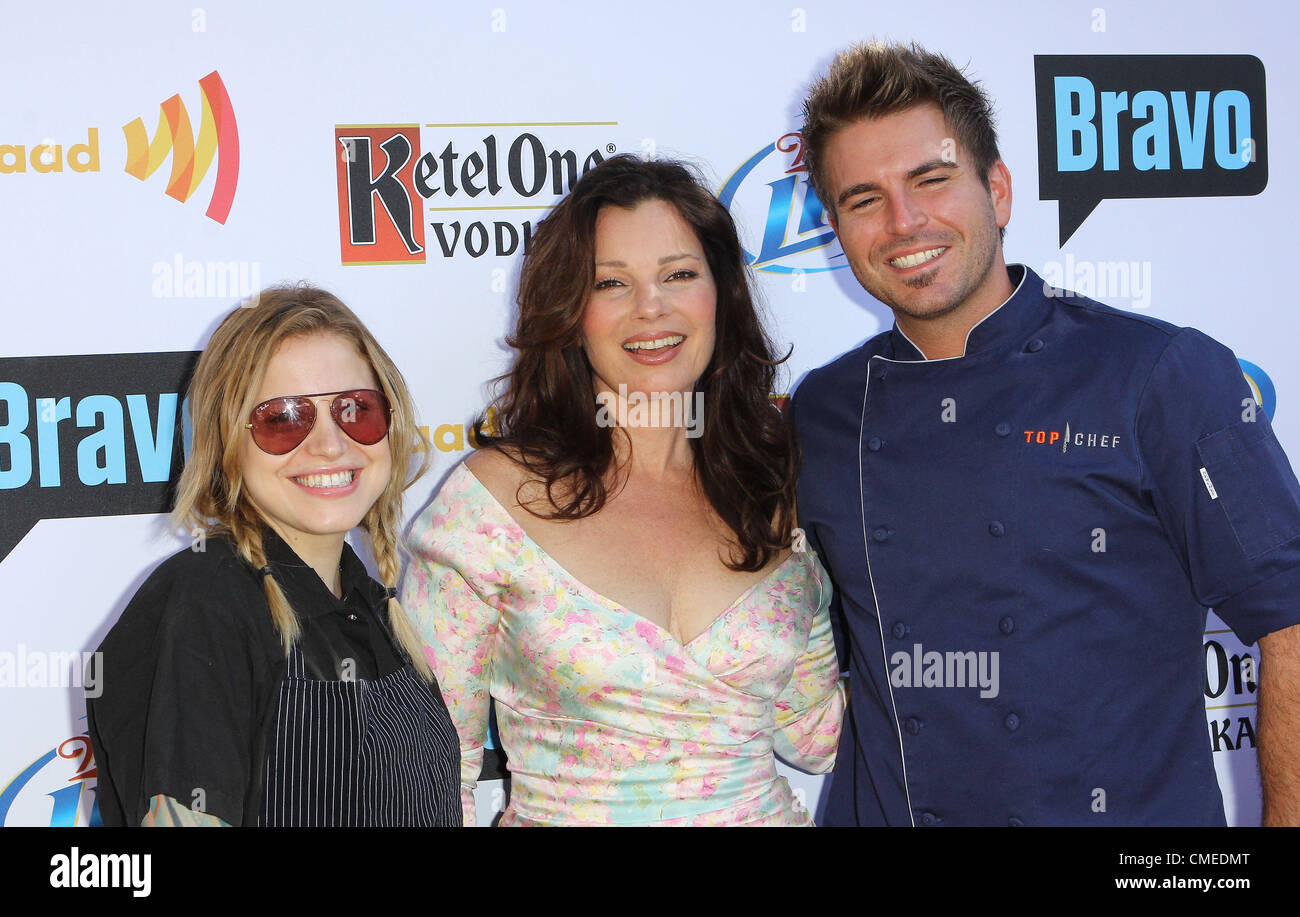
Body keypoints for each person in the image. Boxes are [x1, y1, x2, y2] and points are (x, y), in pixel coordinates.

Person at [790, 41, 1300, 827]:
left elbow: (1291, 618)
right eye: (864, 199)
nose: (904, 221)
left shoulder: (1158, 372)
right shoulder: (821, 413)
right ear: (836, 229)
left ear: (997, 190)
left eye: (931, 180)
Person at [402, 155, 845, 826]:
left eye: (680, 274)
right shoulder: (489, 506)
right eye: (612, 283)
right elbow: (434, 777)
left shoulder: (772, 491)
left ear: (721, 294)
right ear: (571, 312)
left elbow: (815, 736)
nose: (651, 307)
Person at [87, 285, 461, 827]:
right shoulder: (205, 602)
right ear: (226, 439)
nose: (331, 444)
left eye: (356, 410)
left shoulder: (375, 611)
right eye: (284, 419)